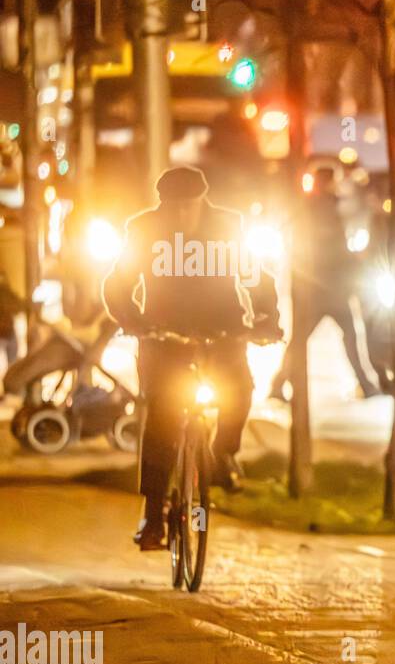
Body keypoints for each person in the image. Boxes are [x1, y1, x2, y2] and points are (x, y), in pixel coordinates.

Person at [102, 166, 280, 550]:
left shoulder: (228, 229)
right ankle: (153, 515)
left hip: (223, 333)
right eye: (174, 206)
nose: (182, 214)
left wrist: (267, 320)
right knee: (163, 419)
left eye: (189, 205)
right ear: (162, 204)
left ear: (204, 200)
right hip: (165, 337)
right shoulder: (143, 230)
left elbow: (260, 281)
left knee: (240, 391)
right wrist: (132, 320)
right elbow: (118, 283)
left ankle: (224, 454)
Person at [270, 166, 379, 400]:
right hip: (325, 288)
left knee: (308, 340)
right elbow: (329, 249)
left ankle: (279, 384)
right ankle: (278, 384)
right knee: (313, 339)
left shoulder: (317, 206)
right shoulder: (319, 208)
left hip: (325, 287)